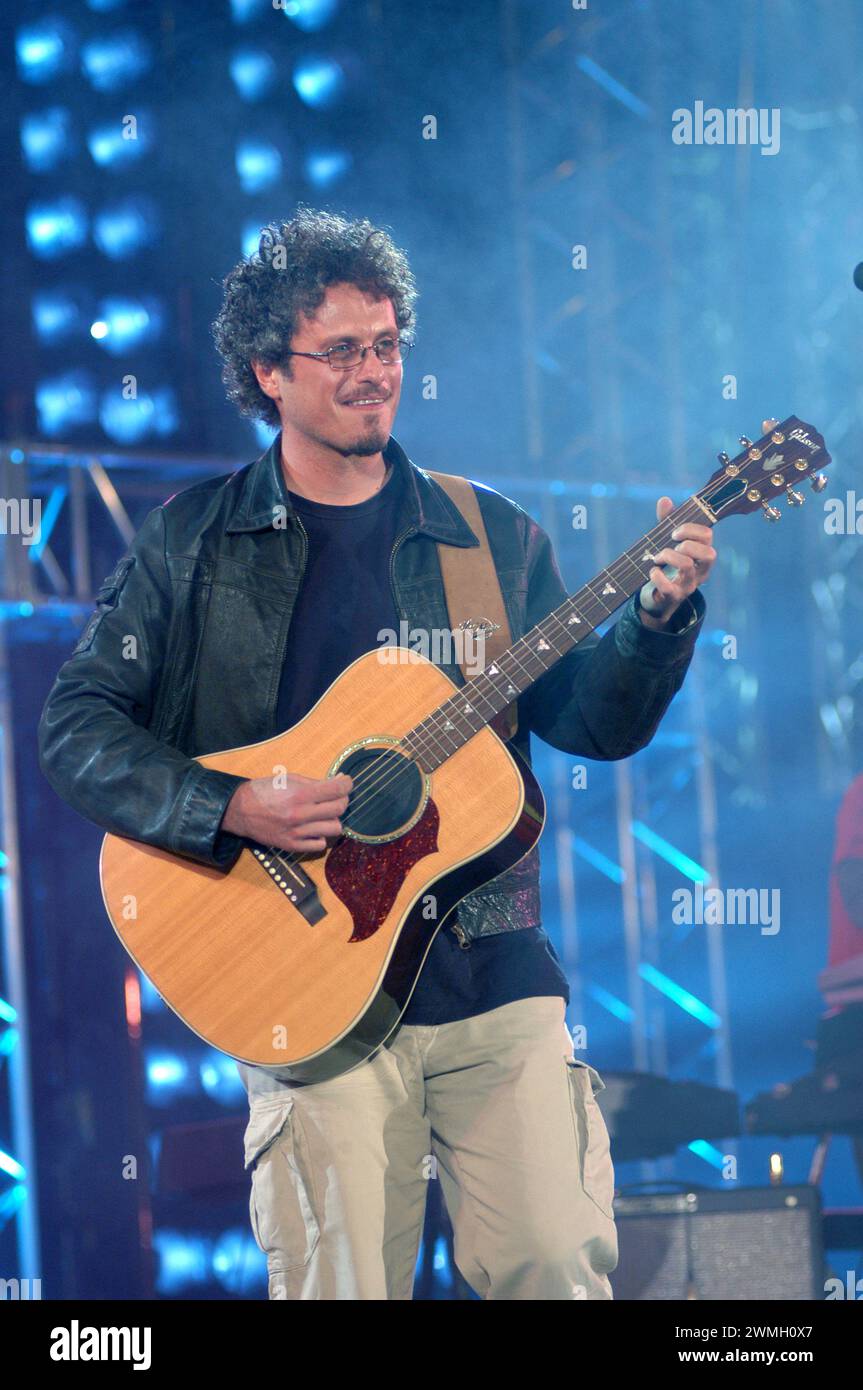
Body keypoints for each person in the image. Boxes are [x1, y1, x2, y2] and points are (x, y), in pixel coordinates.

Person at [38, 207, 716, 1300]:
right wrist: (231, 803)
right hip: (308, 991)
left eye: (387, 344)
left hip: (492, 967)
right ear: (267, 369)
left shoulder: (486, 535)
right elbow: (76, 731)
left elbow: (593, 723)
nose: (373, 372)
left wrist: (652, 621)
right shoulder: (192, 544)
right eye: (341, 350)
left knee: (555, 1260)